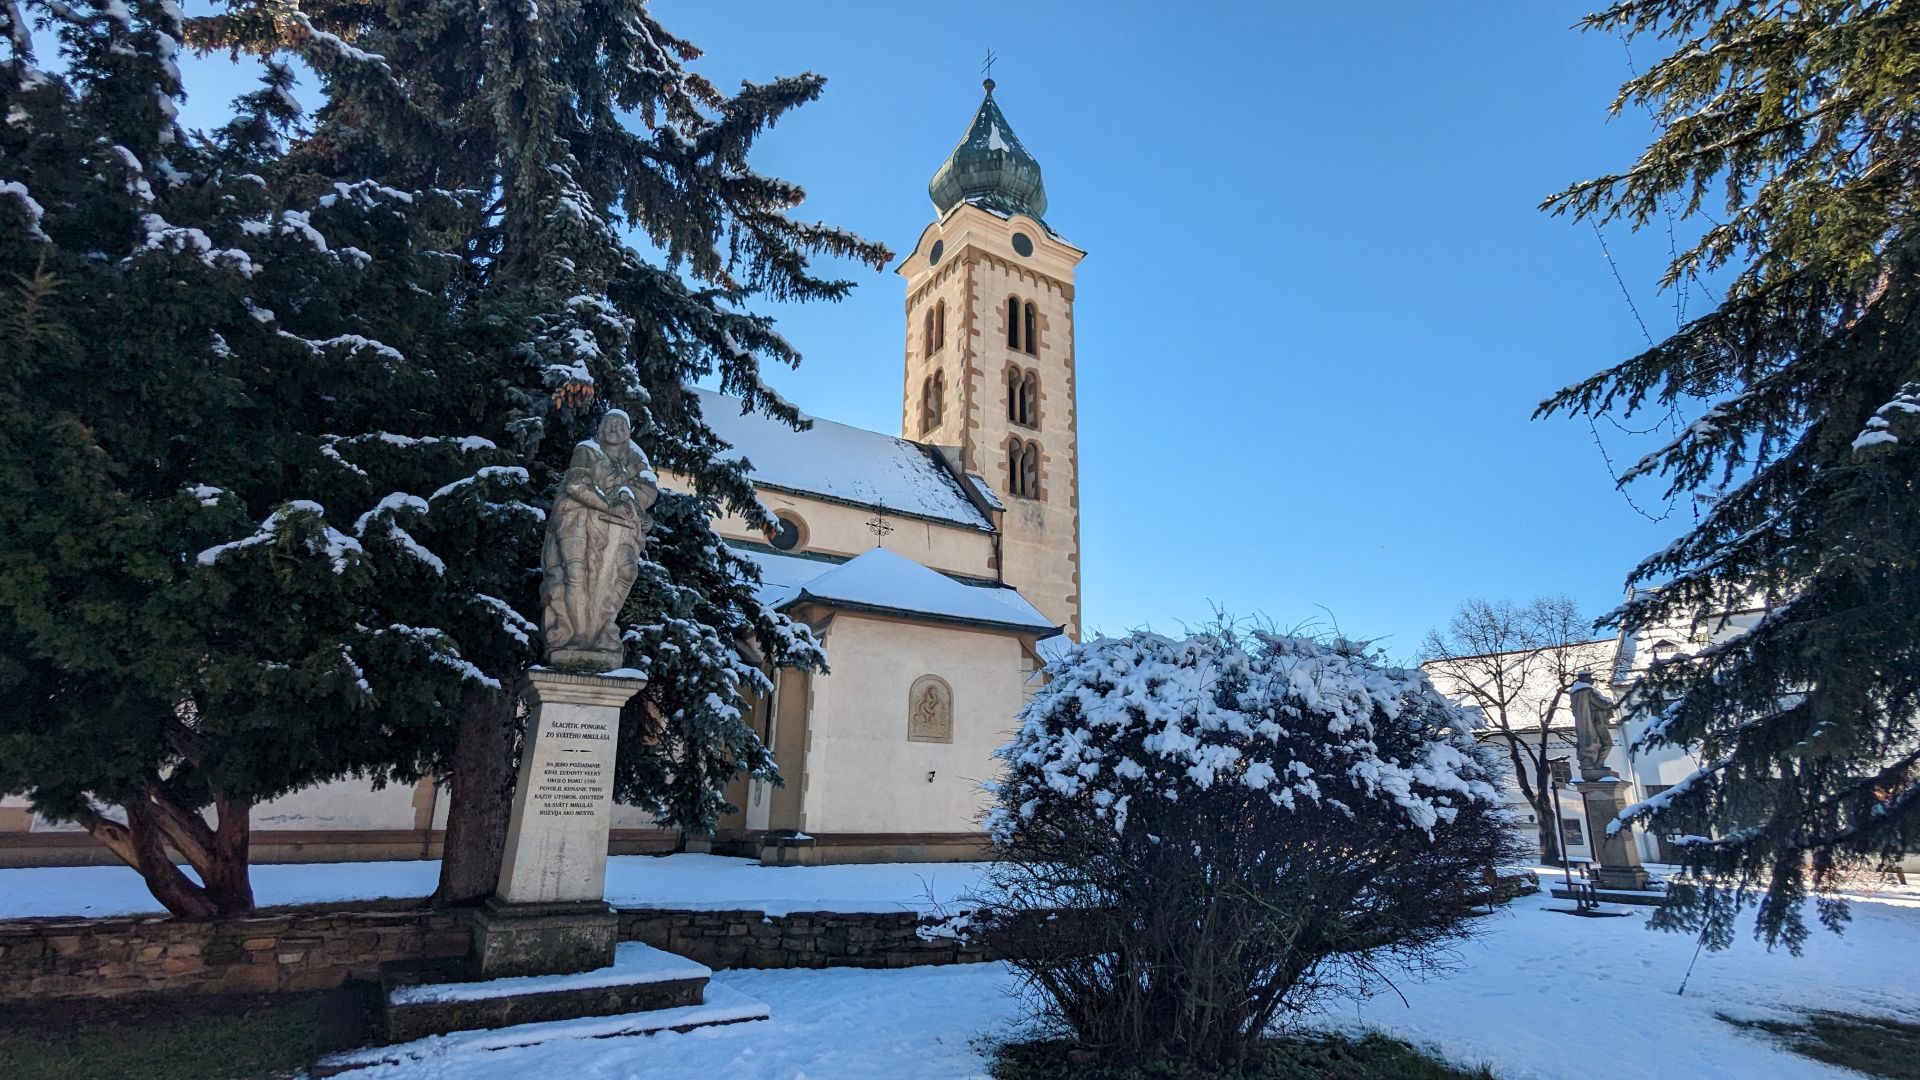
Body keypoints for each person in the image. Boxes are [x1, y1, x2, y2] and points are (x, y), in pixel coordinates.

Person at [539, 409, 657, 668]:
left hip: (617, 530)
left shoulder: (635, 456)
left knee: (623, 575)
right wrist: (609, 505)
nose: (615, 429)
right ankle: (576, 635)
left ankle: (601, 628)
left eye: (620, 425)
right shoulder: (586, 449)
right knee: (576, 575)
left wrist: (628, 497)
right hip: (576, 519)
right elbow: (576, 484)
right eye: (609, 424)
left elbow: (649, 486)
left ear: (628, 431)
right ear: (600, 429)